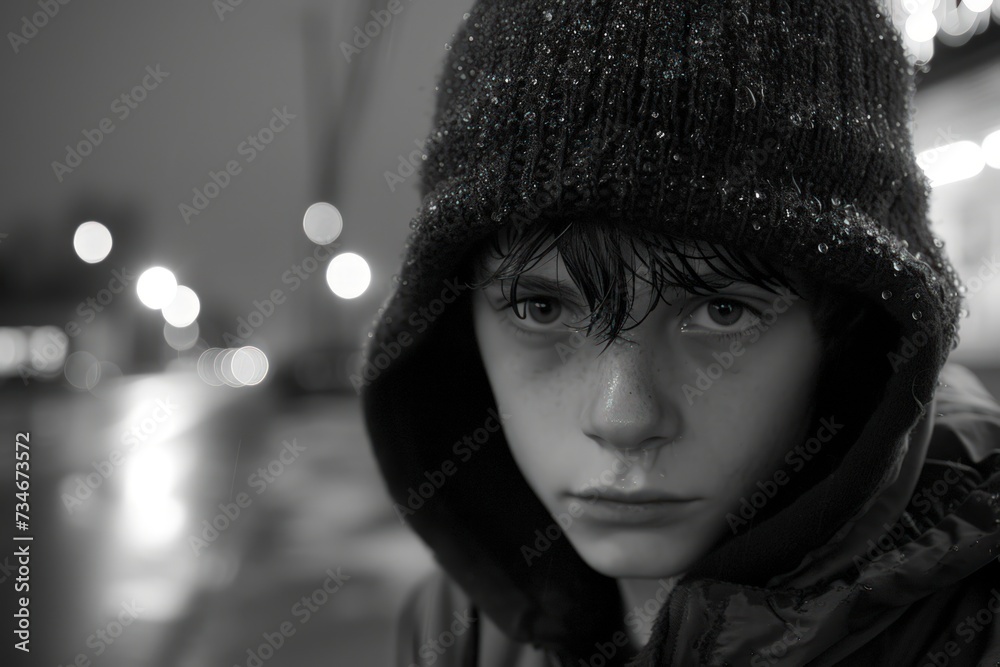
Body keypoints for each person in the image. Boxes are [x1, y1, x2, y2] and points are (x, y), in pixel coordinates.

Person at [360, 0, 1000, 664]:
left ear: (849, 332)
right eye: (541, 309)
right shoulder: (457, 624)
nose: (624, 418)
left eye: (722, 311)